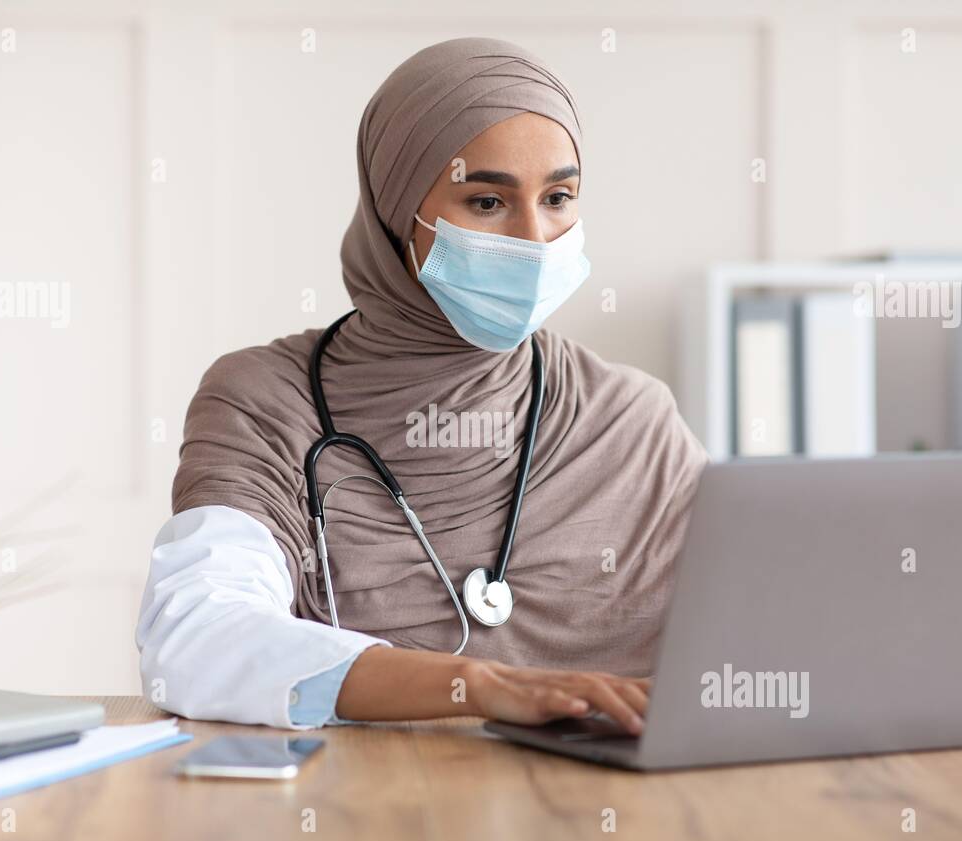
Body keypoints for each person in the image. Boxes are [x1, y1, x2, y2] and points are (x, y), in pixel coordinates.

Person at [135, 37, 708, 733]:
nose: (533, 239)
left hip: (613, 820)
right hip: (361, 818)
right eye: (487, 201)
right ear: (395, 210)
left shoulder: (632, 420)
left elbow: (762, 623)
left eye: (558, 197)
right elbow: (197, 635)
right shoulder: (264, 401)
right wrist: (476, 685)